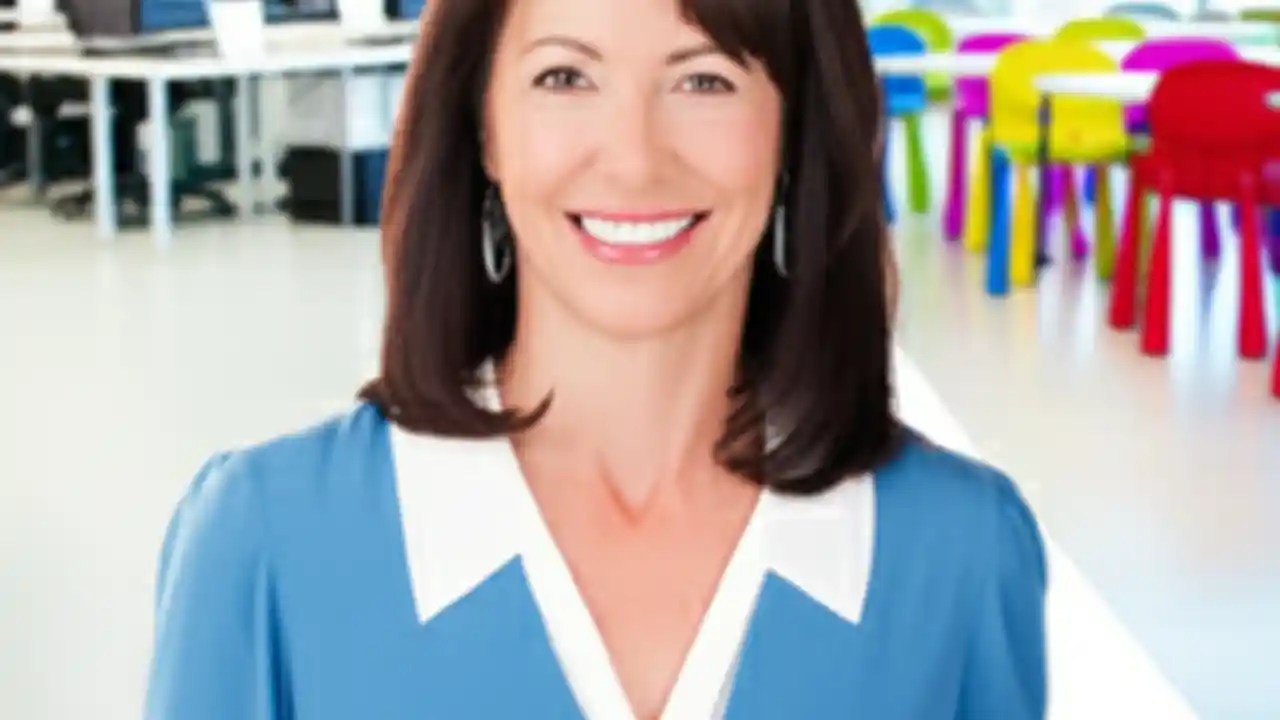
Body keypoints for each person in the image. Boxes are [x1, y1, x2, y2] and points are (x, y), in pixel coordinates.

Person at [144, 0, 1047, 717]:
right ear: (484, 127)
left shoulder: (962, 552)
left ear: (795, 134)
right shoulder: (264, 543)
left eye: (703, 81)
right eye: (565, 76)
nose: (633, 160)